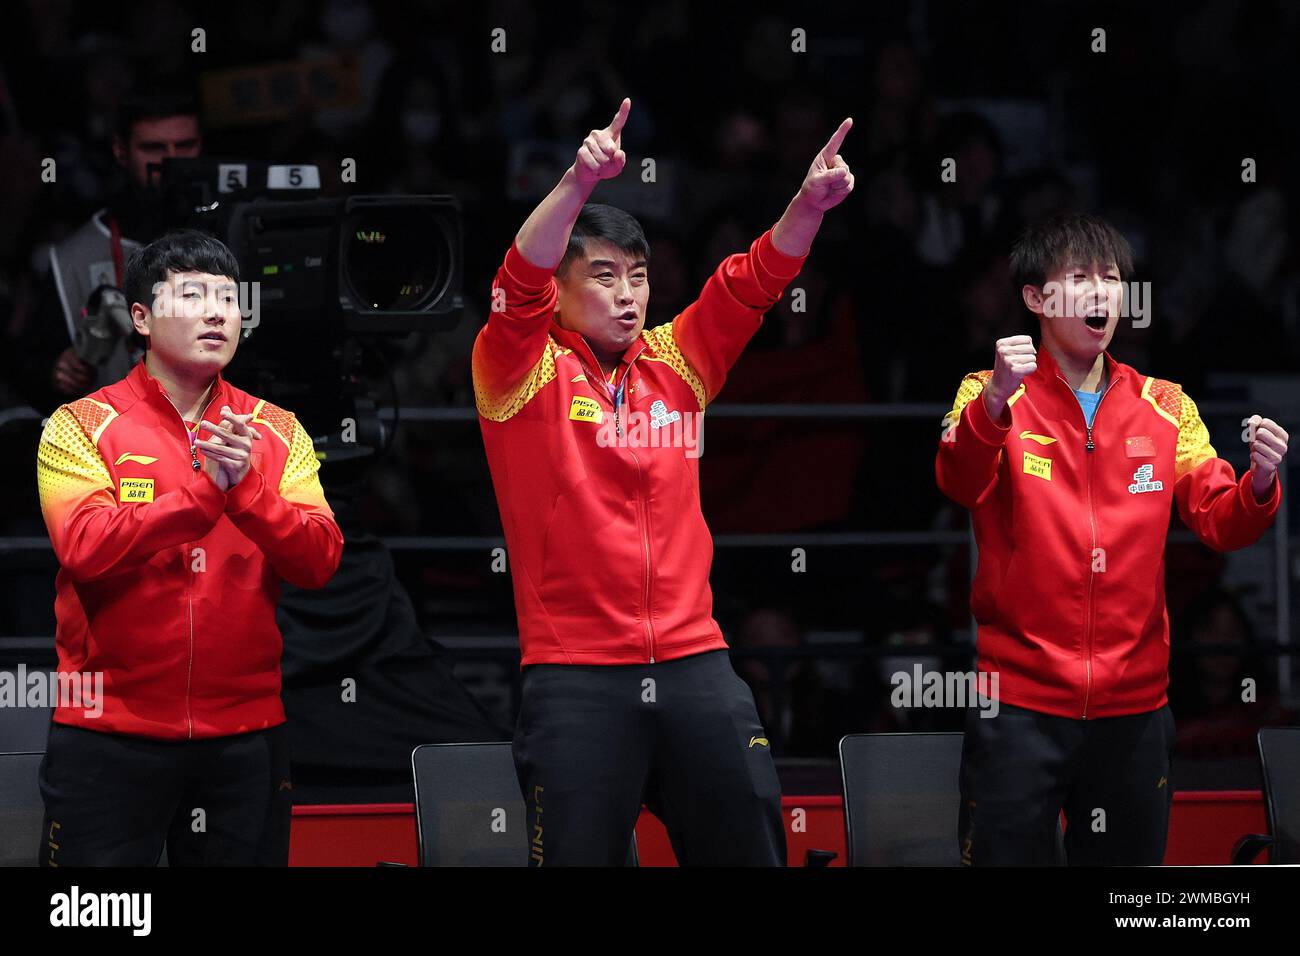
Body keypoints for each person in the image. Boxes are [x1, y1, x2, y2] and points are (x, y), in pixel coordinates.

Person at [473, 98, 855, 865]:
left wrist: (808, 206)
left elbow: (751, 282)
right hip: (576, 678)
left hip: (697, 669)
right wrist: (579, 183)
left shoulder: (680, 362)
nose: (627, 295)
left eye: (638, 278)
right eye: (604, 276)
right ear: (562, 290)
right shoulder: (518, 372)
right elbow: (518, 279)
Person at [935, 213, 1289, 865]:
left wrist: (1260, 482)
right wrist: (994, 411)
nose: (1101, 292)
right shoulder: (984, 394)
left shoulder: (1166, 406)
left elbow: (1222, 519)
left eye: (1112, 279)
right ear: (1036, 299)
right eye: (1079, 277)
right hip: (1018, 709)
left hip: (1135, 714)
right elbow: (957, 480)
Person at [35, 230, 343, 865]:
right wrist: (205, 498)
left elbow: (320, 559)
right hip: (107, 736)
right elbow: (84, 547)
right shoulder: (79, 425)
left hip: (247, 737)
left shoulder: (278, 430)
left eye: (229, 300)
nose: (215, 312)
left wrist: (251, 494)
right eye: (193, 295)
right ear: (142, 318)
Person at [16, 85, 202, 413]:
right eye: (154, 148)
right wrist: (57, 370)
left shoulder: (234, 233)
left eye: (185, 146)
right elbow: (30, 364)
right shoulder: (74, 257)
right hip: (123, 451)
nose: (172, 161)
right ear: (120, 151)